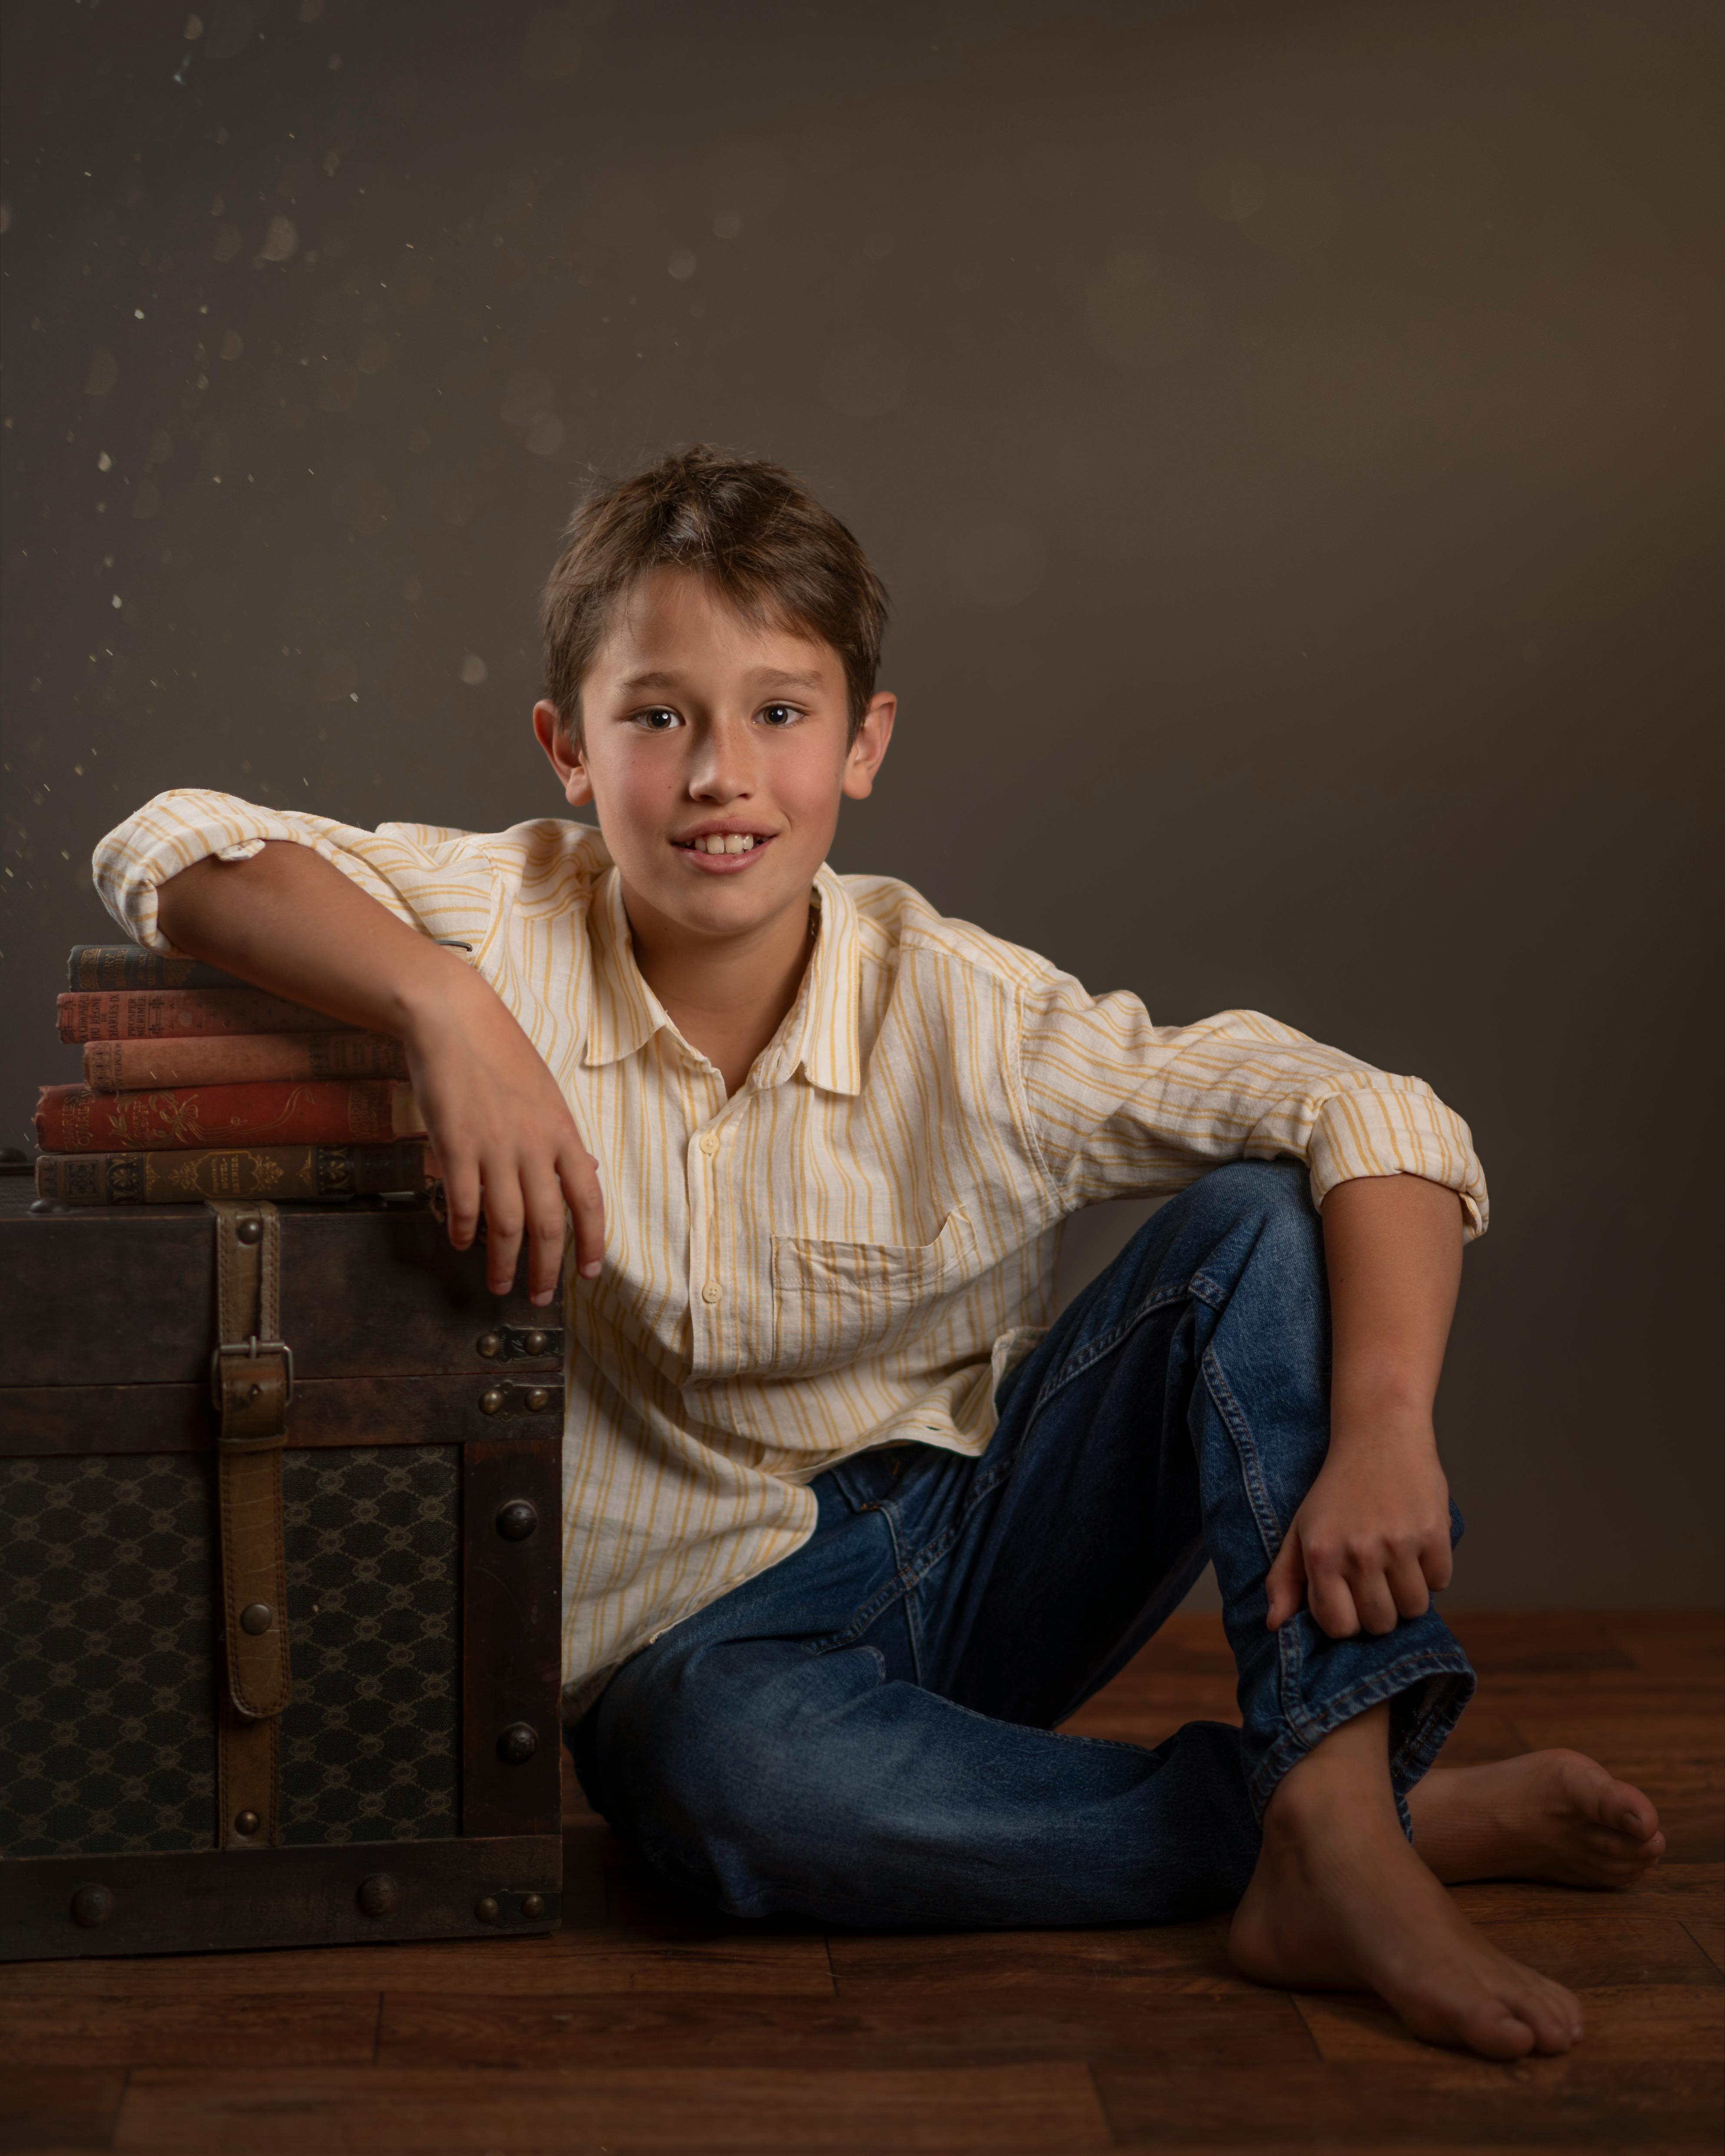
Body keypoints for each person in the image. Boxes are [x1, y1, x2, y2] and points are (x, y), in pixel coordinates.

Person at [96, 445, 1662, 2060]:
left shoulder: (967, 1011)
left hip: (981, 1557)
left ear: (864, 745)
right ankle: (1341, 1823)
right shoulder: (503, 924)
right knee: (723, 1797)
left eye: (780, 713)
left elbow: (1374, 1108)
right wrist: (444, 1008)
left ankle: (1337, 1813)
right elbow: (167, 840)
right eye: (658, 716)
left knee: (1261, 1217)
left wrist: (1390, 1421)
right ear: (569, 748)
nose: (721, 774)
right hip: (707, 1655)